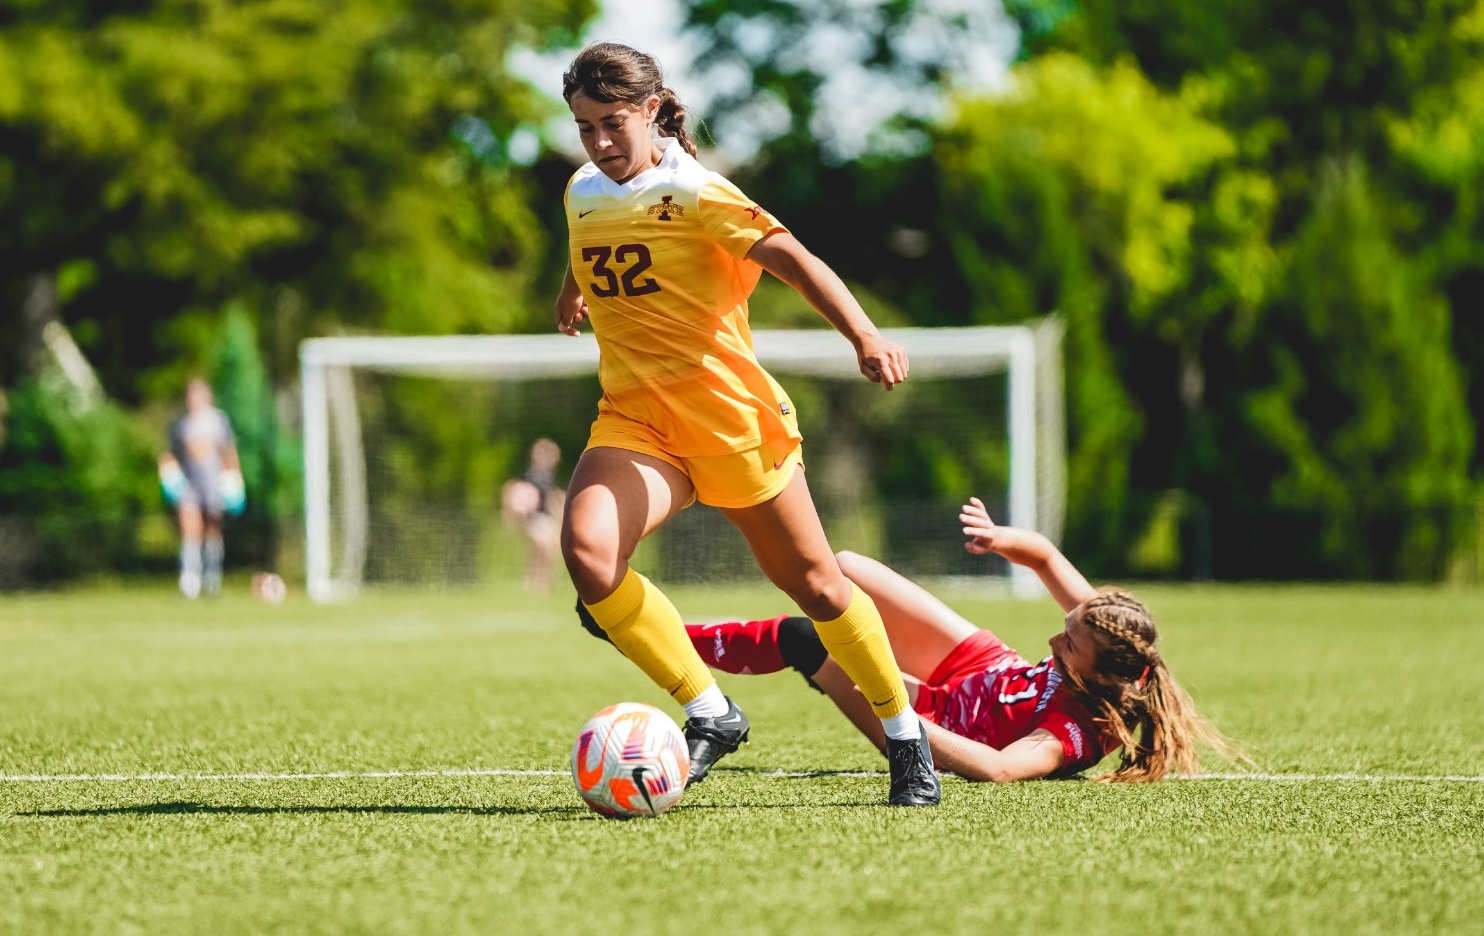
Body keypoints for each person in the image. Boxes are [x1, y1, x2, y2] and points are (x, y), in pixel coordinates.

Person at [553, 42, 942, 805]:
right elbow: (593, 237)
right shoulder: (582, 189)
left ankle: (904, 734)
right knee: (589, 555)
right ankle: (711, 710)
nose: (598, 141)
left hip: (733, 424)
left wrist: (863, 334)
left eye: (612, 124)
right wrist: (573, 289)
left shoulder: (697, 191)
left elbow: (796, 260)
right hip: (636, 419)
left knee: (819, 587)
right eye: (583, 126)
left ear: (654, 110)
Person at [581, 497, 1236, 782]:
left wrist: (900, 713)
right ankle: (646, 625)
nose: (1056, 637)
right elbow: (1043, 555)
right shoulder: (1106, 630)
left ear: (1102, 679)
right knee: (840, 571)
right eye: (1067, 629)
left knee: (805, 637)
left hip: (941, 714)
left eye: (1067, 648)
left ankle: (644, 630)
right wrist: (1002, 539)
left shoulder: (1074, 735)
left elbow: (999, 767)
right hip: (982, 663)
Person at [160, 378, 242, 599]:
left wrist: (234, 479)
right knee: (190, 531)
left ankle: (212, 579)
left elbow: (228, 452)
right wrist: (168, 477)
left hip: (213, 485)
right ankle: (189, 583)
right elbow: (169, 454)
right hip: (190, 485)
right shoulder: (181, 424)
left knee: (213, 531)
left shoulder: (218, 421)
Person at [501, 438, 564, 594]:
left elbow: (550, 498)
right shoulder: (531, 475)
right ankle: (535, 581)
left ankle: (542, 581)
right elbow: (517, 493)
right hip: (534, 518)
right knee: (542, 547)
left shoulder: (548, 476)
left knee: (547, 549)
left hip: (544, 518)